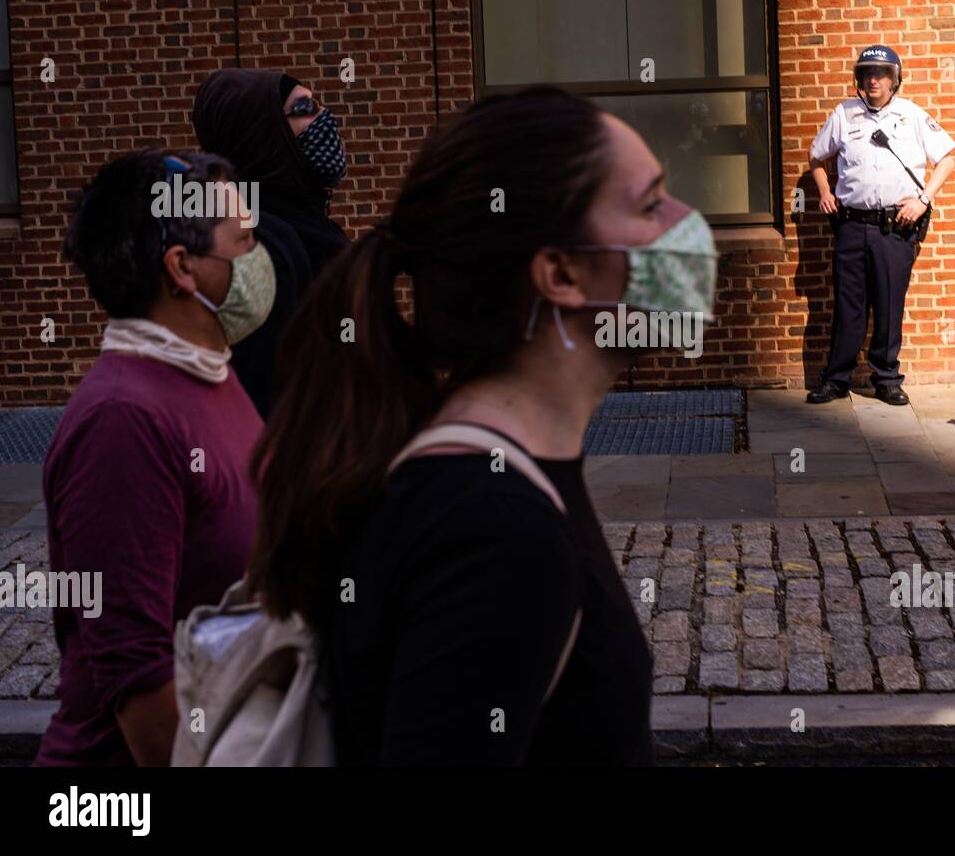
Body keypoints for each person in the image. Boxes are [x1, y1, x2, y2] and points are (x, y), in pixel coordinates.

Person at [246, 86, 718, 765]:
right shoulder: (491, 524)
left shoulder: (501, 474)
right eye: (650, 205)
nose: (687, 222)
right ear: (559, 272)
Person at [36, 149, 271, 765]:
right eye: (245, 241)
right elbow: (139, 683)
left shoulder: (210, 372)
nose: (260, 257)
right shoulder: (123, 421)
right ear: (182, 268)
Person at [191, 69, 351, 417]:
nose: (325, 118)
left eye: (318, 105)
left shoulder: (309, 222)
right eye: (303, 109)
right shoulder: (255, 247)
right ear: (262, 136)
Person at [806, 45, 955, 406]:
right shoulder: (844, 114)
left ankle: (887, 378)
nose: (873, 80)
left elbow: (948, 160)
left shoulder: (912, 116)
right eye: (867, 74)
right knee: (847, 304)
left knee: (889, 304)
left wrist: (923, 200)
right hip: (851, 225)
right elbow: (816, 156)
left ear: (894, 80)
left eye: (881, 74)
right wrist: (825, 190)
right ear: (859, 79)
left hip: (895, 228)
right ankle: (837, 379)